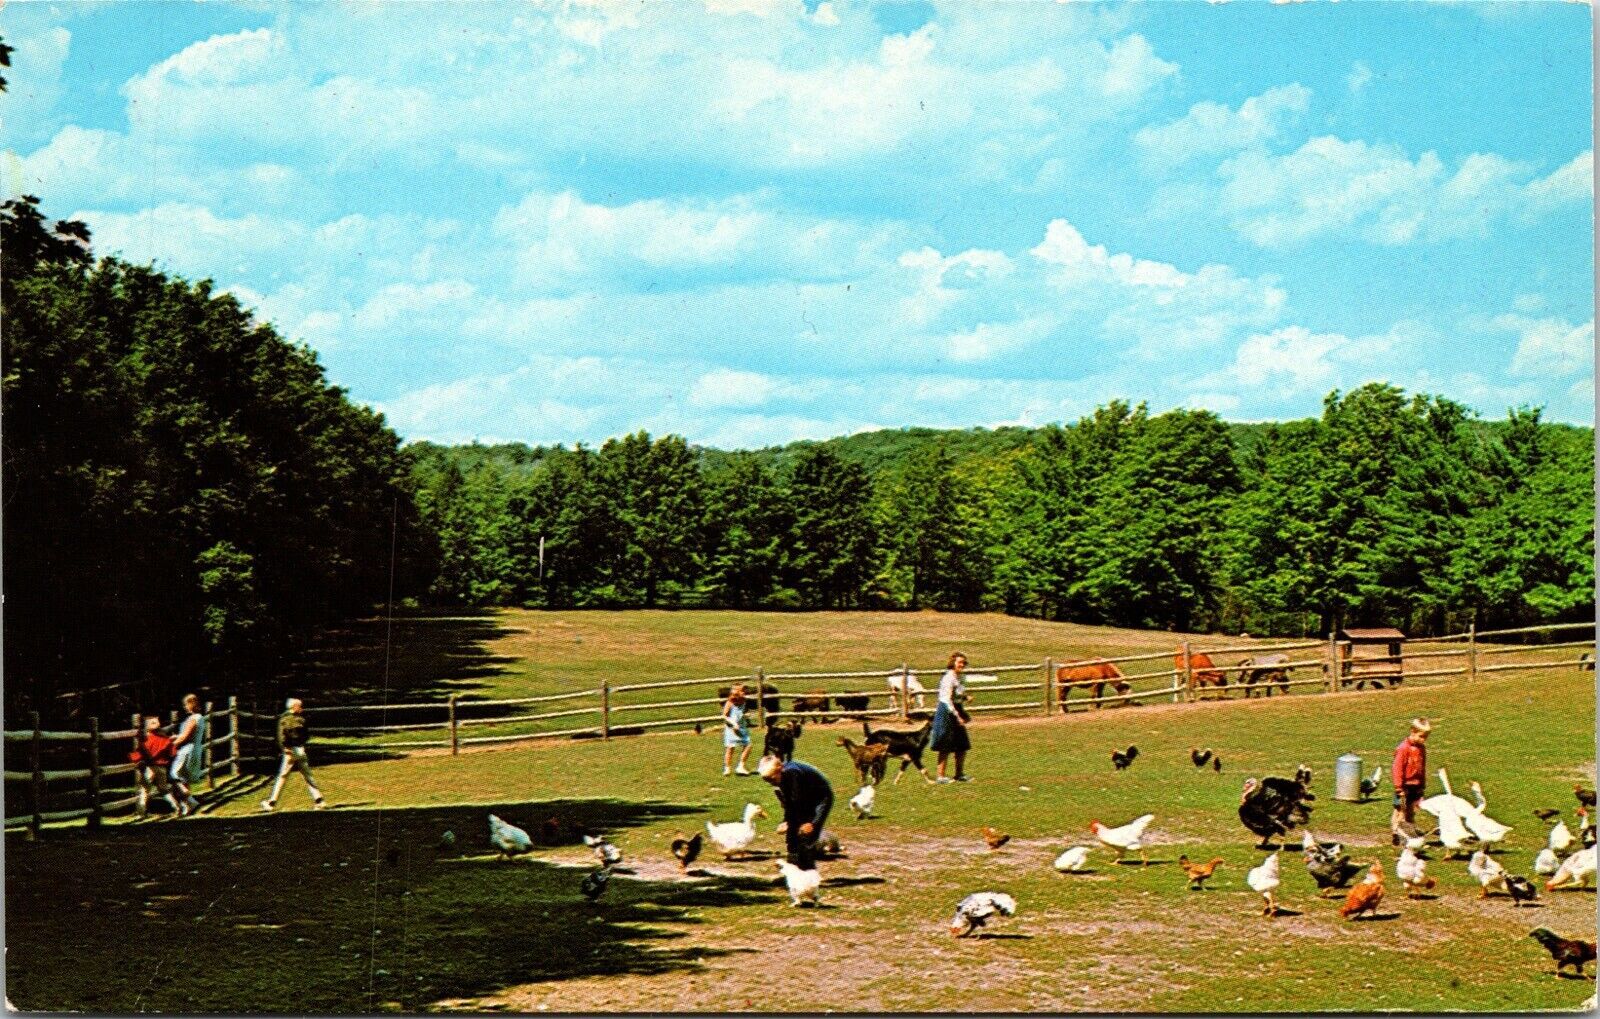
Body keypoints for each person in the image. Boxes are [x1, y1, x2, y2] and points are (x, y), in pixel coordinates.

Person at [758, 754, 833, 869]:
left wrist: (812, 823)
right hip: (806, 799)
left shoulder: (793, 774)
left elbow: (797, 802)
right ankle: (793, 871)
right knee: (792, 836)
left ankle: (808, 875)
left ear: (780, 769)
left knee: (806, 836)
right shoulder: (781, 778)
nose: (771, 783)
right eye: (767, 780)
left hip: (820, 798)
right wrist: (786, 821)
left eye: (771, 779)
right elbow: (790, 803)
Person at [262, 697, 326, 811]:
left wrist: (285, 747)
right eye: (300, 706)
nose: (301, 708)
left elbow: (281, 736)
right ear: (295, 707)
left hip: (290, 750)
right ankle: (319, 799)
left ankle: (271, 802)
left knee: (282, 776)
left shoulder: (284, 719)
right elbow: (306, 735)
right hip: (300, 749)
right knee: (308, 775)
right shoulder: (301, 720)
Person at [930, 651, 972, 783]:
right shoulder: (948, 678)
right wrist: (957, 715)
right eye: (960, 662)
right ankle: (940, 776)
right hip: (946, 711)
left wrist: (965, 697)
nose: (962, 665)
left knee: (962, 744)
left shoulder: (960, 677)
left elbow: (957, 693)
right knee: (945, 745)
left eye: (964, 663)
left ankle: (959, 774)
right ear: (953, 663)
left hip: (956, 709)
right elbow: (947, 699)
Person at [129, 716, 179, 818]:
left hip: (150, 768)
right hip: (162, 768)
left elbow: (139, 754)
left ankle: (141, 812)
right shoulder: (166, 740)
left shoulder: (147, 742)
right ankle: (176, 806)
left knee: (145, 789)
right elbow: (173, 753)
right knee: (163, 789)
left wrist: (133, 759)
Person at [1390, 717, 1431, 844]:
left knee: (1411, 812)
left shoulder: (1421, 749)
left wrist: (1422, 784)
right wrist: (1398, 787)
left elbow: (1422, 767)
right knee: (1400, 811)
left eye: (1425, 737)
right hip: (1404, 785)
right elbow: (1397, 768)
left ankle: (1410, 834)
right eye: (1421, 736)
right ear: (1413, 731)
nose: (1423, 740)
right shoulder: (1403, 748)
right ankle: (1396, 833)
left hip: (1416, 785)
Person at [168, 693, 207, 816]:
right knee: (184, 778)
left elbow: (185, 737)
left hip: (187, 750)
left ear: (192, 704)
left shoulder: (193, 718)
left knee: (174, 776)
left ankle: (191, 801)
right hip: (195, 749)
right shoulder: (200, 718)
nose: (185, 707)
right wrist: (176, 737)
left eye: (186, 704)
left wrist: (171, 745)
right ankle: (187, 807)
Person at [721, 684, 753, 777]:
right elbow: (725, 716)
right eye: (742, 691)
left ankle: (741, 766)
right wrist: (733, 723)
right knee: (730, 748)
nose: (744, 693)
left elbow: (743, 712)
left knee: (748, 745)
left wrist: (746, 715)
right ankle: (727, 768)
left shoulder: (744, 701)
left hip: (742, 727)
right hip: (732, 728)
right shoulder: (730, 702)